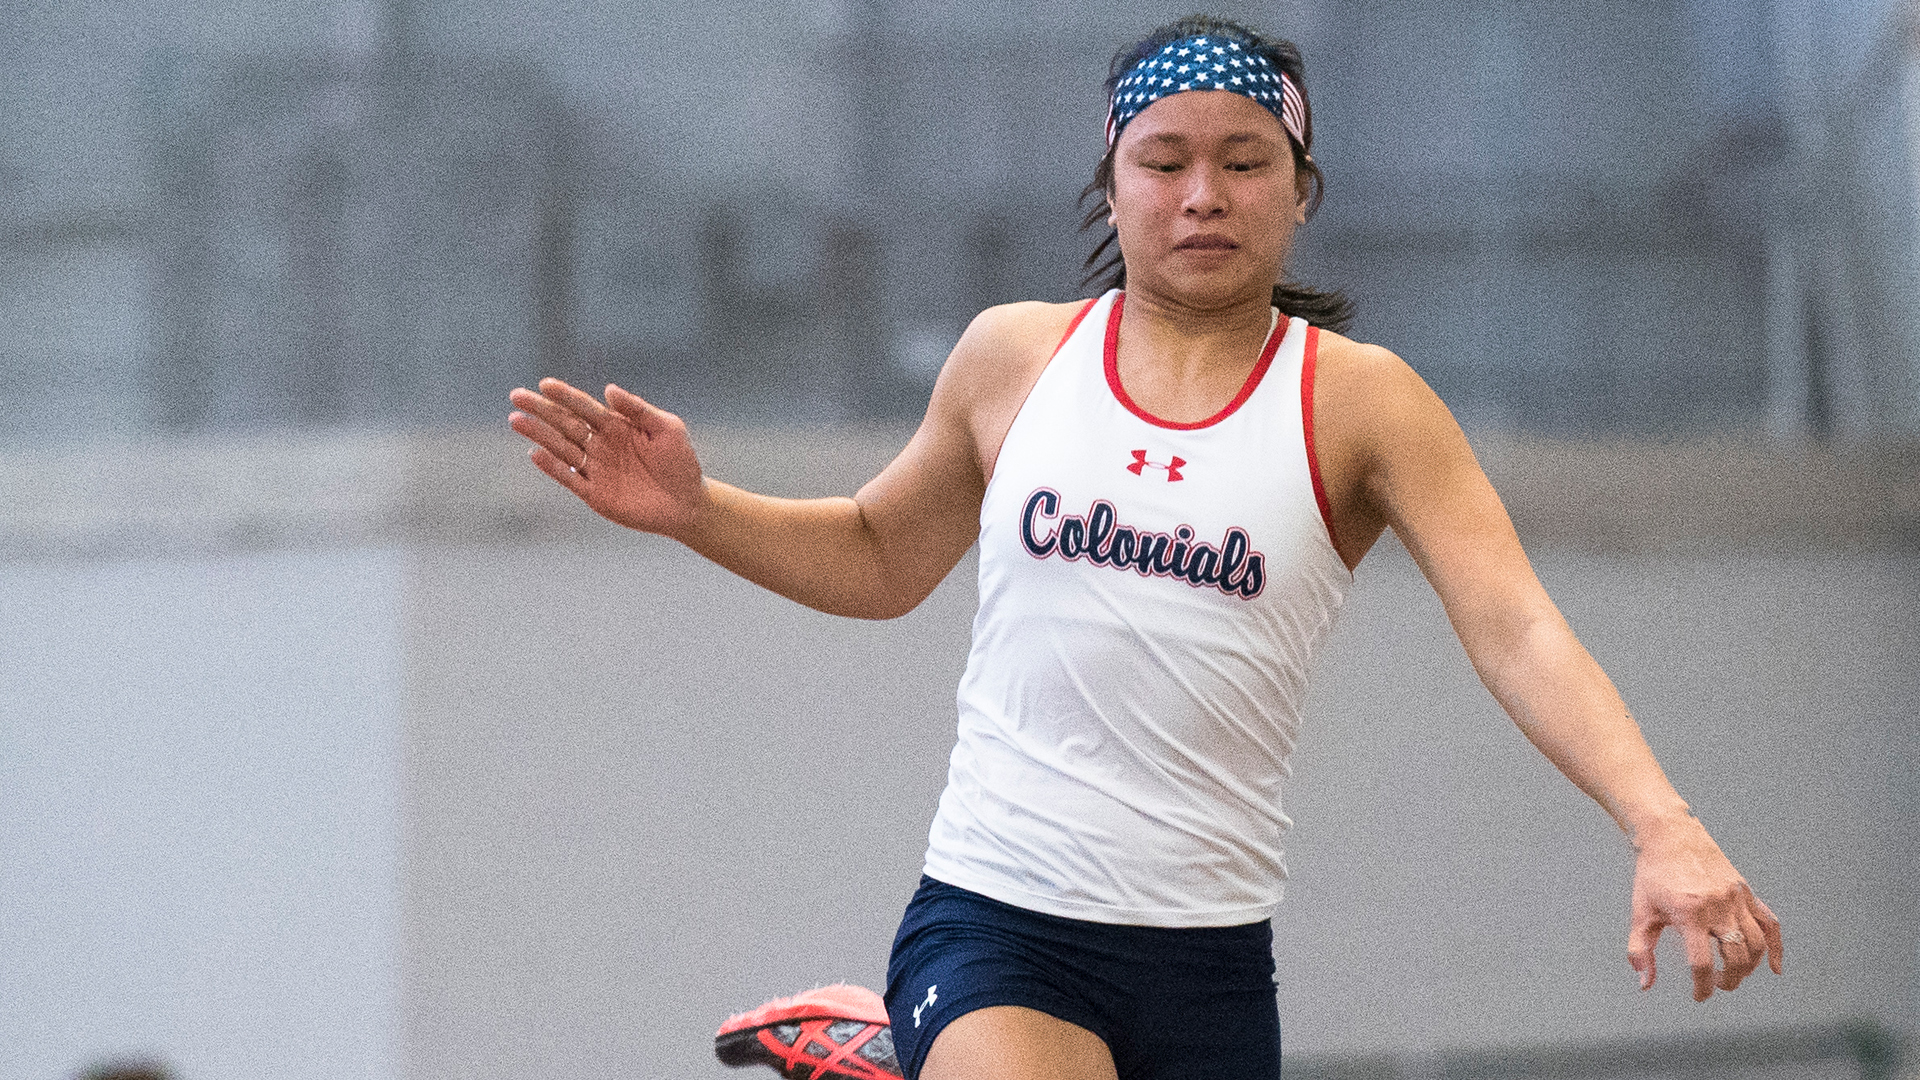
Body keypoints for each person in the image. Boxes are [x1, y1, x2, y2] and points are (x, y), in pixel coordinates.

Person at [508, 15, 1783, 1080]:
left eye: (1243, 161)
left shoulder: (1362, 400)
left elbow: (1515, 626)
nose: (1202, 195)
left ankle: (888, 1057)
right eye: (1165, 161)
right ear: (1112, 183)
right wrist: (697, 508)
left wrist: (1661, 824)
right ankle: (919, 1041)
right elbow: (881, 555)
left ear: (1299, 190)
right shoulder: (1017, 356)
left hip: (1207, 953)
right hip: (999, 916)